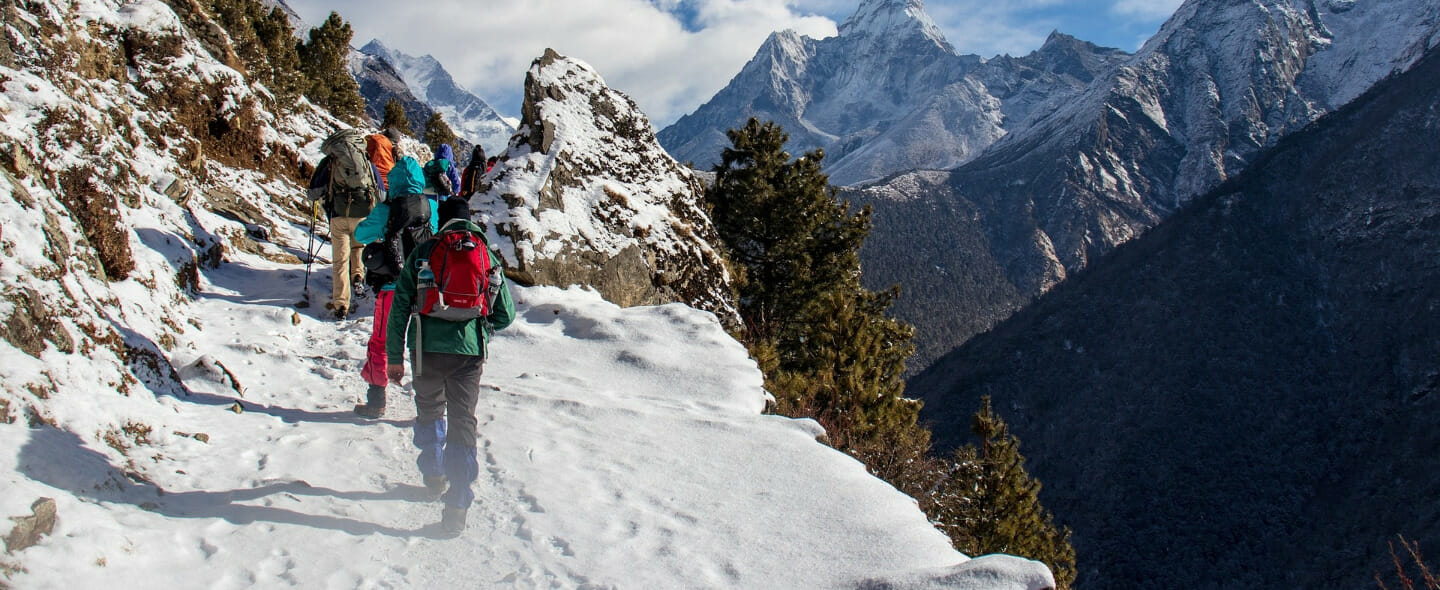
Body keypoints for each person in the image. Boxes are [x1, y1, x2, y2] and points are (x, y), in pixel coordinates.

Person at [387, 197, 515, 537]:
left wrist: (395, 357)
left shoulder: (424, 252)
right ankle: (457, 505)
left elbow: (399, 306)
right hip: (469, 354)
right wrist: (479, 323)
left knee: (429, 410)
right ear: (469, 220)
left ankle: (433, 475)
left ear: (441, 221)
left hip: (425, 349)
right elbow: (506, 315)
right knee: (463, 423)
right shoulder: (485, 254)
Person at [352, 153, 438, 418]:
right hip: (425, 288)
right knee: (425, 346)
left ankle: (376, 400)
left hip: (392, 288)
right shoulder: (430, 207)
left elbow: (360, 234)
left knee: (382, 342)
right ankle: (429, 407)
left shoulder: (387, 208)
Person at [308, 129, 384, 319]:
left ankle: (341, 303)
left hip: (339, 214)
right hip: (362, 213)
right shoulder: (365, 160)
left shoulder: (331, 161)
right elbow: (381, 192)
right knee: (358, 245)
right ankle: (357, 276)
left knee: (340, 259)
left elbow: (314, 191)